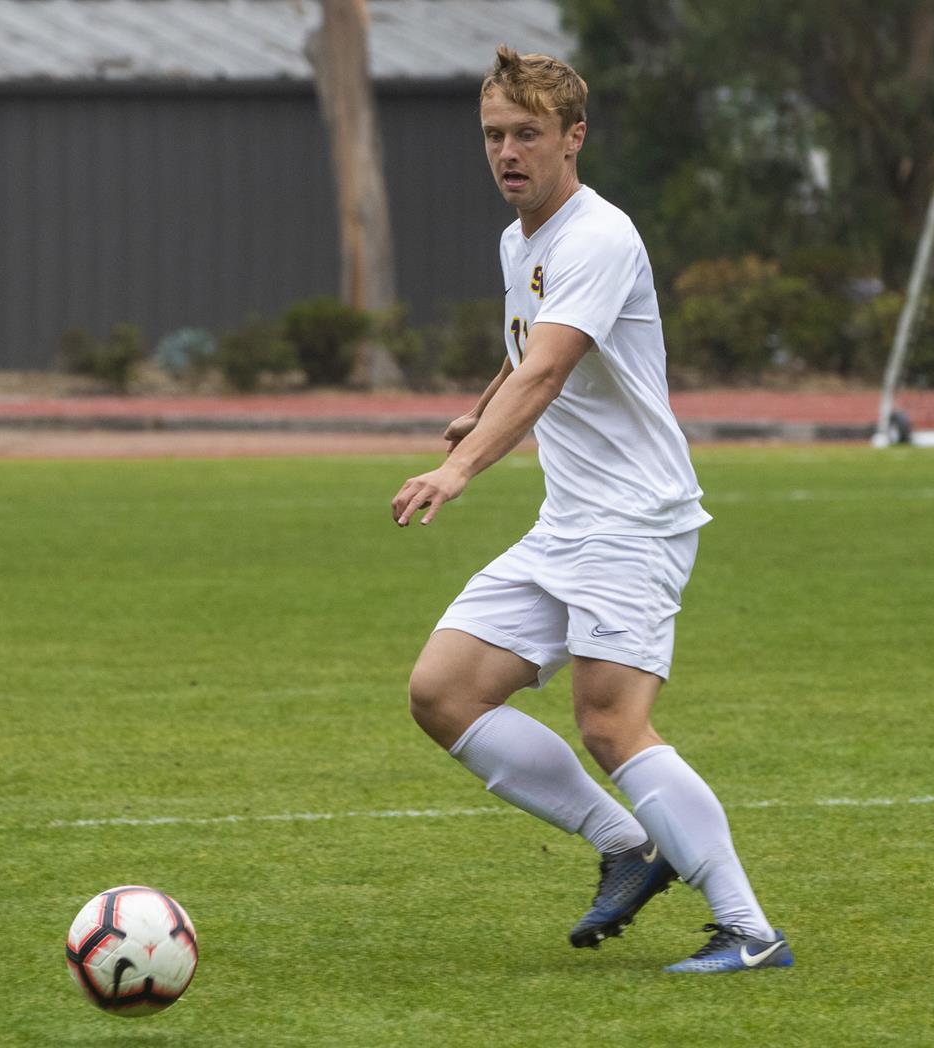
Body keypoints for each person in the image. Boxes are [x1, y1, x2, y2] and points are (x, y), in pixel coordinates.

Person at [390, 47, 791, 974]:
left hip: (634, 521)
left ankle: (749, 932)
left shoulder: (599, 236)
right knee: (443, 691)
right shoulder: (519, 240)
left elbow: (548, 370)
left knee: (611, 723)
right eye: (494, 135)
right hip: (569, 521)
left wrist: (460, 469)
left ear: (574, 137)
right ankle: (628, 845)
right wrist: (480, 411)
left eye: (527, 134)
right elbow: (522, 352)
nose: (507, 153)